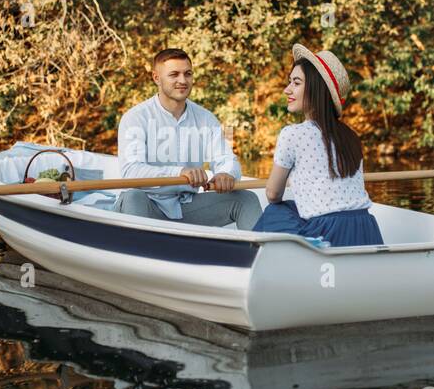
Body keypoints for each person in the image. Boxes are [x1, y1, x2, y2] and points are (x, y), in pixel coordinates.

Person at [114, 48, 263, 229]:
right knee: (132, 196)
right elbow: (131, 172)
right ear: (156, 78)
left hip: (186, 207)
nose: (182, 81)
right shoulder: (135, 117)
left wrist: (226, 174)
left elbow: (227, 159)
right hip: (146, 207)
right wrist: (179, 172)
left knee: (246, 199)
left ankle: (261, 255)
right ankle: (141, 254)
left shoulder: (206, 118)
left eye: (188, 74)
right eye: (174, 74)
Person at [252, 44, 383, 247]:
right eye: (290, 82)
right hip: (365, 229)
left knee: (276, 210)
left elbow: (272, 193)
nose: (287, 90)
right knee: (294, 207)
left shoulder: (292, 134)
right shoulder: (351, 136)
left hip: (329, 232)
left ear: (315, 88)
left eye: (296, 83)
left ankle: (262, 259)